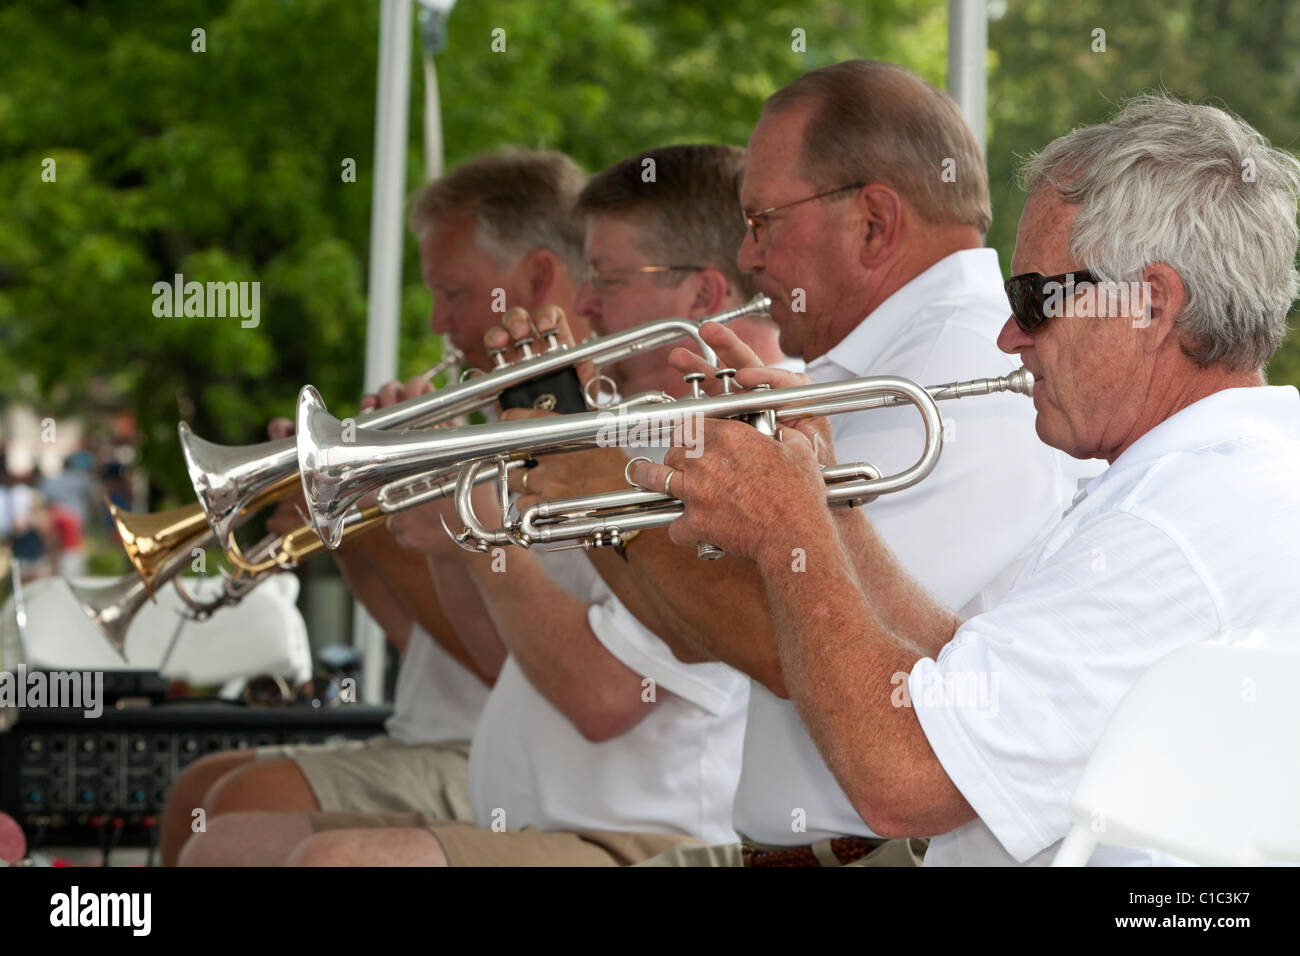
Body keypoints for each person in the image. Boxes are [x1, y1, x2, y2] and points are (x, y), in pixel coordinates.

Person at [641, 92, 1300, 865]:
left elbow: (906, 781)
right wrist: (833, 507)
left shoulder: (1177, 523)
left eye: (1034, 300)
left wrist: (791, 528)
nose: (1008, 333)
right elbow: (974, 688)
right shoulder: (1213, 484)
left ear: (1149, 306)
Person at [501, 59, 1091, 867]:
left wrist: (589, 469)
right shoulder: (868, 371)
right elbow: (689, 634)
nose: (747, 255)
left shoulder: (956, 367)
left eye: (762, 222)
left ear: (874, 223)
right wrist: (572, 469)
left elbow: (784, 644)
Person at [280, 144, 783, 866]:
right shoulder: (623, 420)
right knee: (237, 839)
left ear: (703, 297)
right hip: (537, 822)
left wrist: (478, 533)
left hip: (646, 838)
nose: (582, 303)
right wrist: (429, 520)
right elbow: (498, 656)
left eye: (606, 278)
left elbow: (601, 698)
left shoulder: (718, 445)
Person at [169, 149, 585, 866]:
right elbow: (413, 637)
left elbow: (496, 662)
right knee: (201, 788)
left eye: (454, 294)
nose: (436, 322)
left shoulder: (562, 441)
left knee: (236, 804)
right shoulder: (496, 427)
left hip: (510, 761)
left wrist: (398, 514)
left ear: (539, 276)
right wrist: (351, 530)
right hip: (442, 739)